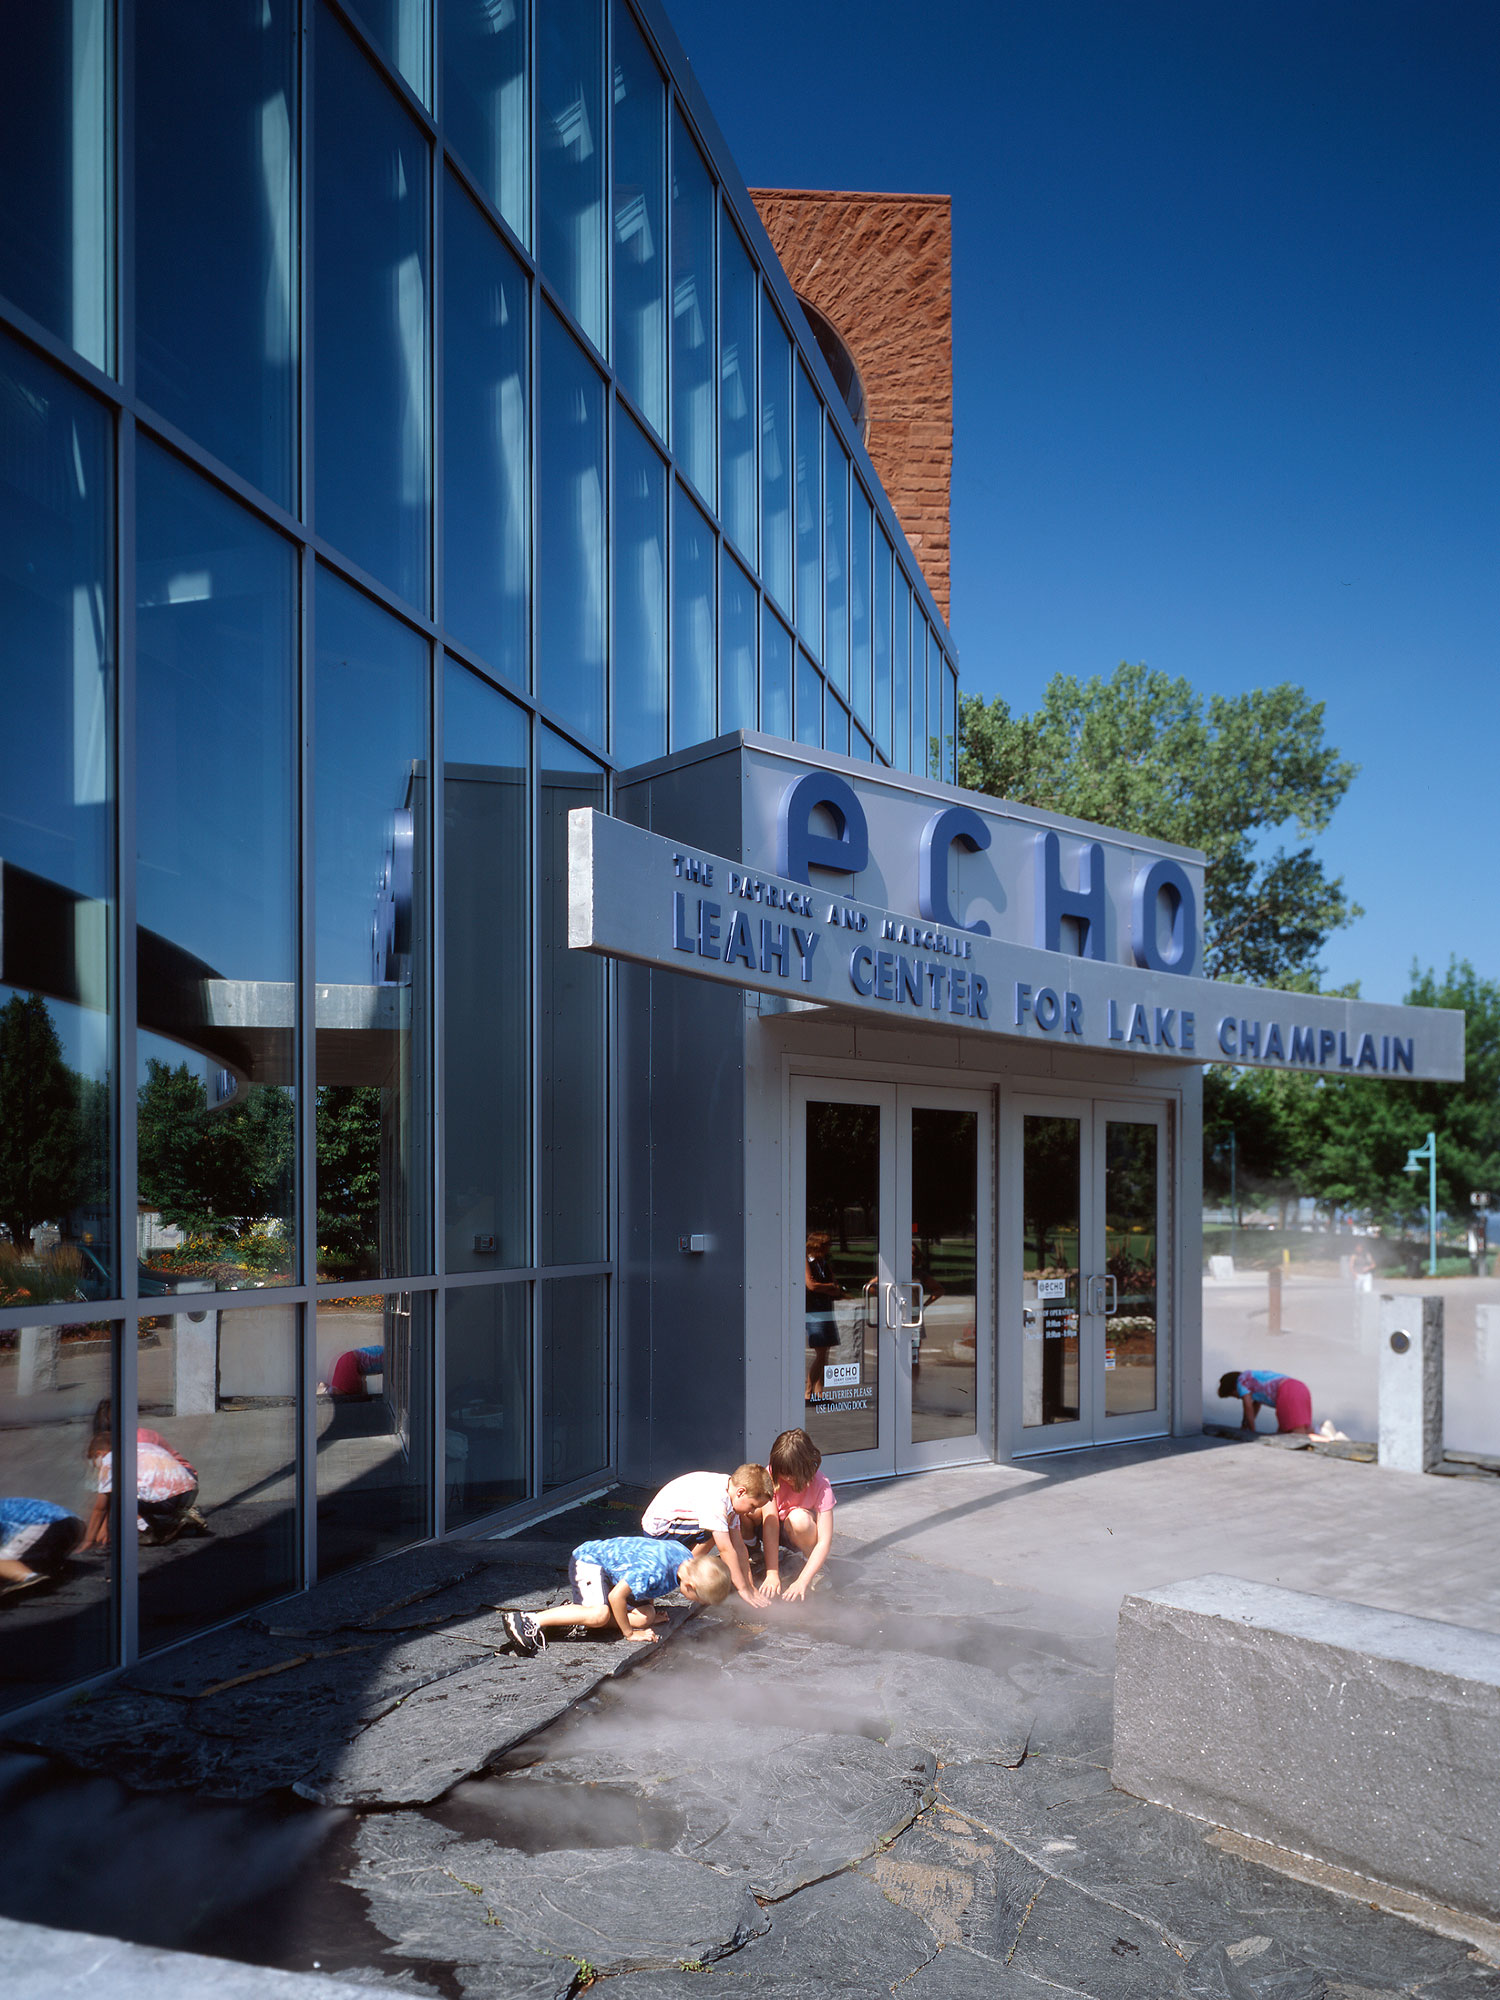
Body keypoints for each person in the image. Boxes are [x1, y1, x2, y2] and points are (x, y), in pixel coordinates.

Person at [501, 1537, 732, 1655]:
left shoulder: (684, 1557)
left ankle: (579, 1613)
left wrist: (646, 1613)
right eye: (697, 1599)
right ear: (690, 1586)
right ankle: (528, 1620)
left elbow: (642, 1581)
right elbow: (617, 1598)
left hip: (614, 1572)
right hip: (589, 1562)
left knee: (646, 1617)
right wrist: (630, 1634)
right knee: (600, 1615)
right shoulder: (653, 1572)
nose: (693, 1602)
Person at [642, 1466, 772, 1606]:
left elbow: (739, 1546)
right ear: (741, 1492)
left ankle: (687, 1566)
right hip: (659, 1531)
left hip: (676, 1522)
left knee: (721, 1527)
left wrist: (750, 1586)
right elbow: (726, 1550)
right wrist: (742, 1589)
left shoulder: (731, 1491)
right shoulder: (717, 1501)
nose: (751, 1511)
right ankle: (685, 1574)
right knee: (716, 1530)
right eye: (752, 1506)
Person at [81, 1423, 208, 1548]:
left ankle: (147, 1530)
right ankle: (176, 1518)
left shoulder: (110, 1460)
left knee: (118, 1498)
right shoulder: (138, 1447)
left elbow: (100, 1508)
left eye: (94, 1461)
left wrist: (88, 1541)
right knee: (134, 1491)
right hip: (189, 1489)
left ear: (99, 1454)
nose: (96, 1467)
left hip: (168, 1497)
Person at [756, 1428, 835, 1603]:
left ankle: (813, 1565)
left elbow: (824, 1541)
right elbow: (770, 1524)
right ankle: (752, 1551)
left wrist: (802, 1581)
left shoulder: (822, 1485)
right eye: (782, 1473)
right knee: (750, 1503)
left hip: (800, 1534)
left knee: (799, 1519)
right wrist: (772, 1572)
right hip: (773, 1528)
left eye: (791, 1475)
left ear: (806, 1467)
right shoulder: (770, 1475)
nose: (786, 1479)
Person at [0, 1499, 84, 1597]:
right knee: (21, 1558)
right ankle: (45, 1570)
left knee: (4, 1561)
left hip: (43, 1524)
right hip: (74, 1523)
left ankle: (29, 1577)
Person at [804, 1231, 844, 1403]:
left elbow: (836, 1288)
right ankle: (808, 1391)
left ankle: (819, 1392)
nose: (829, 1249)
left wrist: (827, 1287)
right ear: (818, 1245)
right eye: (827, 1245)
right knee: (820, 1351)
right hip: (813, 1309)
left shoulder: (824, 1263)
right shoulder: (806, 1261)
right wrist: (829, 1286)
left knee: (825, 1351)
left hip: (826, 1307)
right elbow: (811, 1285)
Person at [1218, 1368, 1314, 1435]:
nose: (1238, 1398)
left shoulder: (1241, 1381)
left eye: (1234, 1396)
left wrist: (1252, 1431)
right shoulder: (1251, 1380)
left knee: (1295, 1433)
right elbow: (1255, 1406)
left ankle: (1322, 1432)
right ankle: (1320, 1432)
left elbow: (1248, 1407)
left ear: (1233, 1389)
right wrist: (1246, 1424)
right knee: (1298, 1427)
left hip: (1287, 1390)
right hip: (1299, 1387)